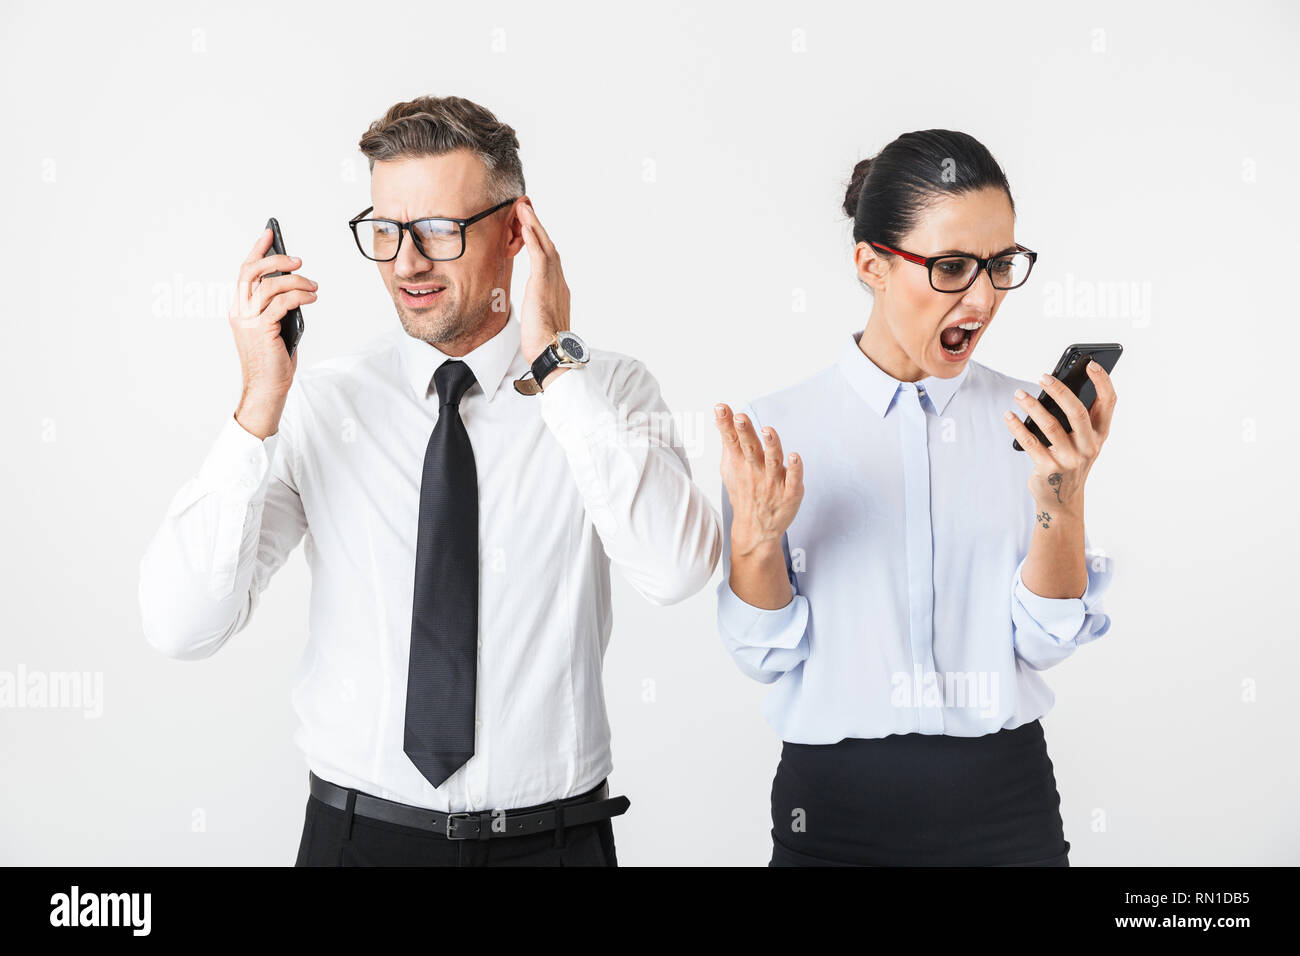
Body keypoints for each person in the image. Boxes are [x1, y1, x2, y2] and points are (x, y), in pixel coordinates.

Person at [138, 95, 721, 867]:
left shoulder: (606, 392)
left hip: (554, 843)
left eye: (439, 231)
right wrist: (257, 404)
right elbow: (182, 627)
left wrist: (556, 368)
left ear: (517, 231)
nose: (407, 262)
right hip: (360, 840)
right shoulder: (320, 404)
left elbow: (675, 570)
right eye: (385, 231)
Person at [713, 129, 1116, 867]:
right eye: (953, 267)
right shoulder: (779, 429)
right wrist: (756, 540)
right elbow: (766, 654)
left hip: (1006, 809)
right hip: (830, 818)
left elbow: (1043, 641)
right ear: (870, 263)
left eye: (1001, 265)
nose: (985, 296)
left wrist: (1063, 494)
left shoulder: (1034, 423)